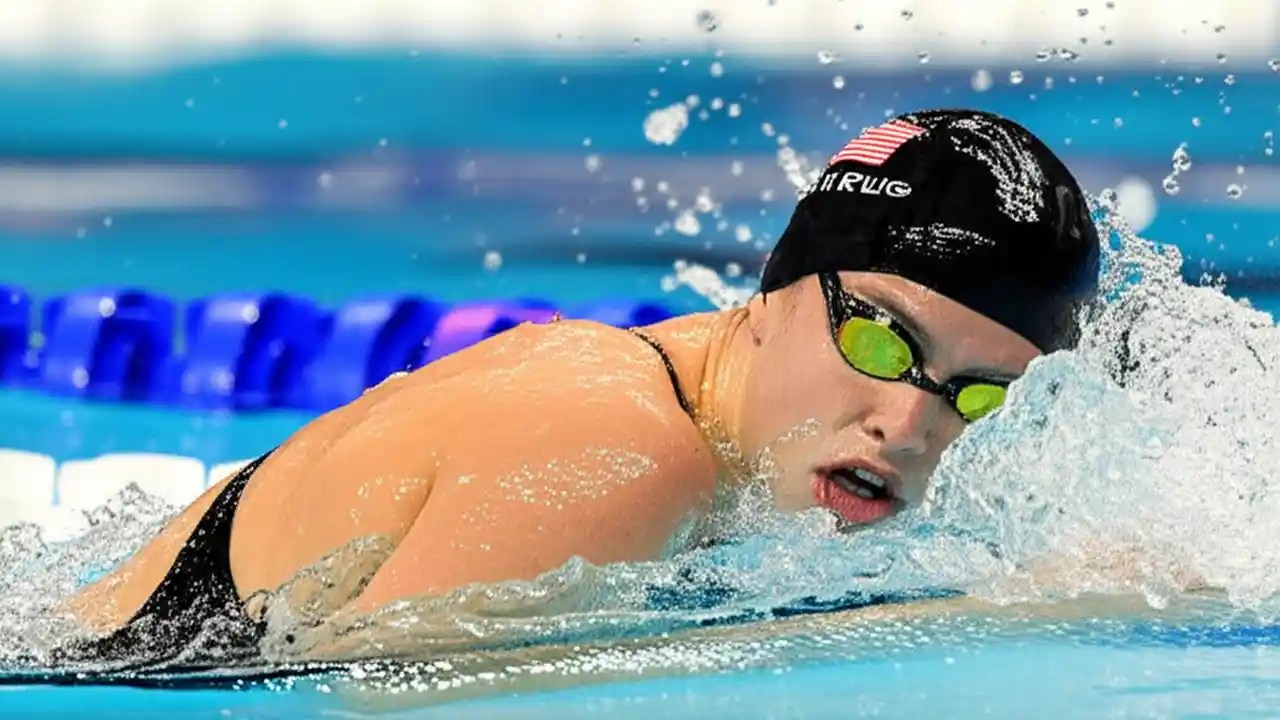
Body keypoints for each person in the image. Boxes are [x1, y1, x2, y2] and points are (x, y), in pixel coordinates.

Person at [58, 108, 1100, 665]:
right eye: (879, 341)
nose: (909, 421)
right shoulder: (620, 449)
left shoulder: (715, 405)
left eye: (978, 394)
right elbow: (391, 693)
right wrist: (981, 616)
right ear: (774, 291)